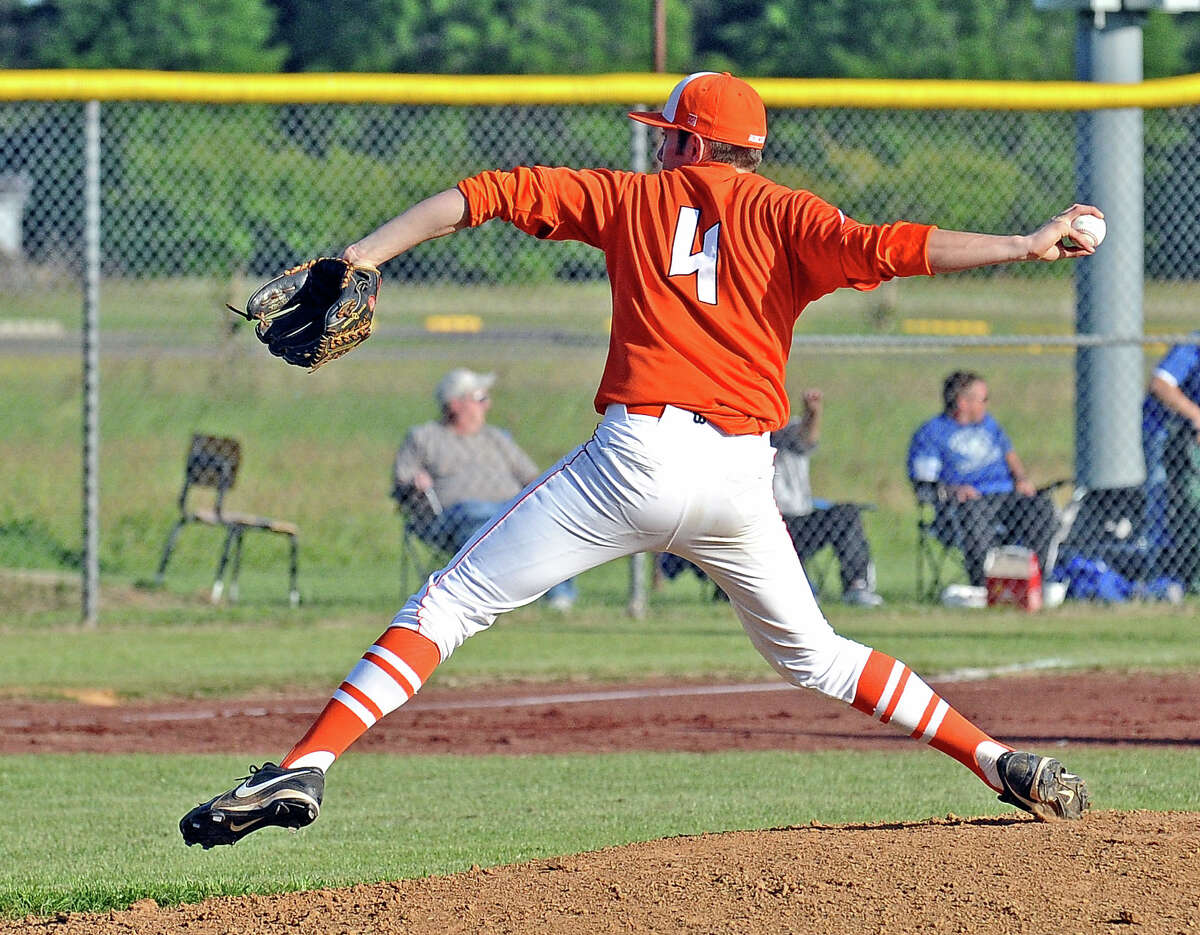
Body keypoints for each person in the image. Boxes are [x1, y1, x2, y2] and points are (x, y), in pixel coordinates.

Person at [181, 71, 1096, 848]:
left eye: (669, 138)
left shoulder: (629, 199)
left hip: (635, 458)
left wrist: (362, 255)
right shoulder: (792, 215)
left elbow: (484, 194)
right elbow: (896, 248)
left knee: (451, 603)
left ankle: (306, 766)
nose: (660, 151)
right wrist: (1025, 241)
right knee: (819, 656)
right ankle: (998, 759)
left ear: (690, 146)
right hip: (743, 476)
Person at [393, 367, 578, 611]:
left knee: (549, 518)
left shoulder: (496, 438)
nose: (487, 405)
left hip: (508, 511)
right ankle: (495, 594)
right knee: (477, 513)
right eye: (480, 398)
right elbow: (402, 481)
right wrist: (414, 482)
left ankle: (559, 598)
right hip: (448, 518)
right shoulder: (424, 437)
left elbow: (532, 477)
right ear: (456, 404)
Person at [907, 370, 1060, 588]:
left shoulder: (989, 425)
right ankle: (985, 586)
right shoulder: (931, 433)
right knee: (973, 512)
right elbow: (923, 485)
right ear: (962, 402)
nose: (987, 404)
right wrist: (954, 491)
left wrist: (1022, 480)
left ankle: (1035, 582)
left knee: (1040, 507)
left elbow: (1010, 455)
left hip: (1007, 500)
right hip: (965, 506)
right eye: (984, 399)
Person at [772, 388, 883, 606]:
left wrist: (813, 413)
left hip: (797, 520)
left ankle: (857, 586)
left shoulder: (783, 431)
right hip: (756, 522)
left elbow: (806, 437)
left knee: (846, 514)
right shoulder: (735, 435)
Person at [1141, 333, 1200, 589]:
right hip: (1162, 431)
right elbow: (1160, 385)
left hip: (1189, 437)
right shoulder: (1192, 346)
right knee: (1160, 493)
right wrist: (1196, 416)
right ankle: (1160, 574)